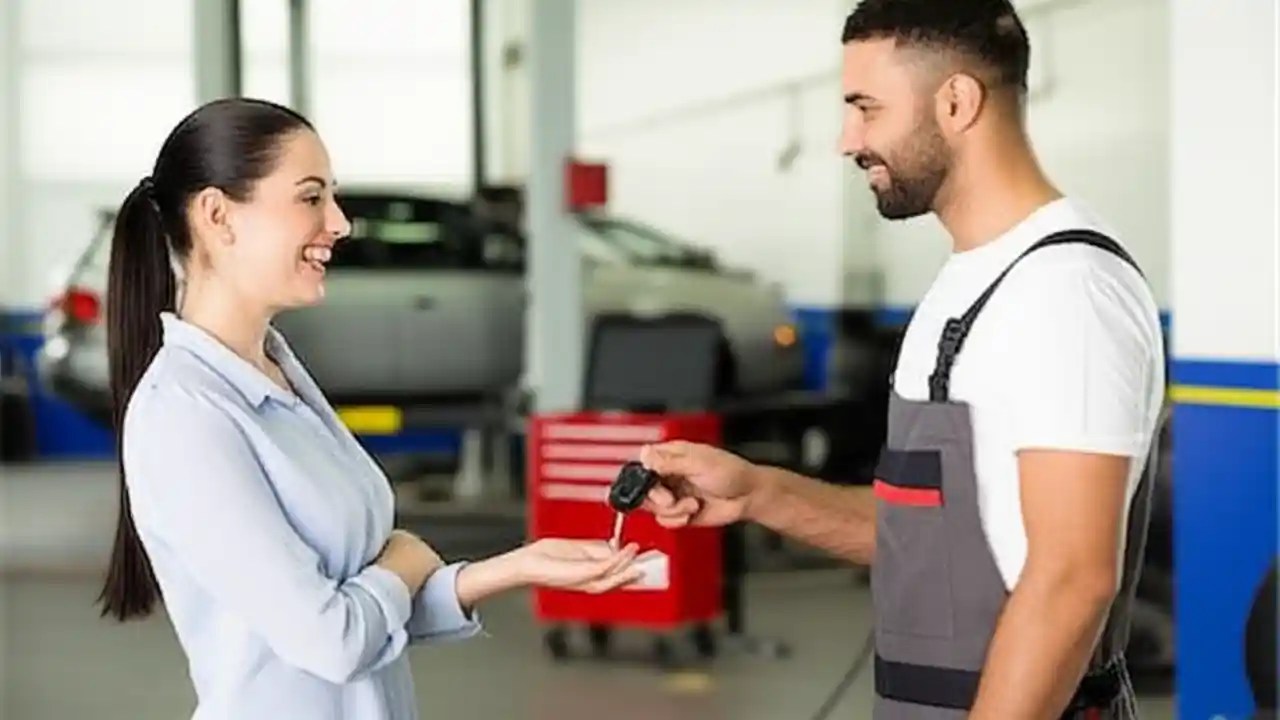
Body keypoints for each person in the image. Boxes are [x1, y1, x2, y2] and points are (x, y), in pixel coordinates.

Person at [640, 1, 1165, 718]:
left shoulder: (1062, 291)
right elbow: (934, 539)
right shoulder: (971, 282)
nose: (846, 140)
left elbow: (1071, 582)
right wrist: (758, 493)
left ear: (956, 101)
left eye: (866, 107)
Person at [98, 97, 643, 720]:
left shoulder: (279, 371)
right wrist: (403, 558)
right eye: (310, 198)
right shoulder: (184, 416)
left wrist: (516, 566)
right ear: (218, 215)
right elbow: (334, 640)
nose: (340, 223)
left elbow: (372, 611)